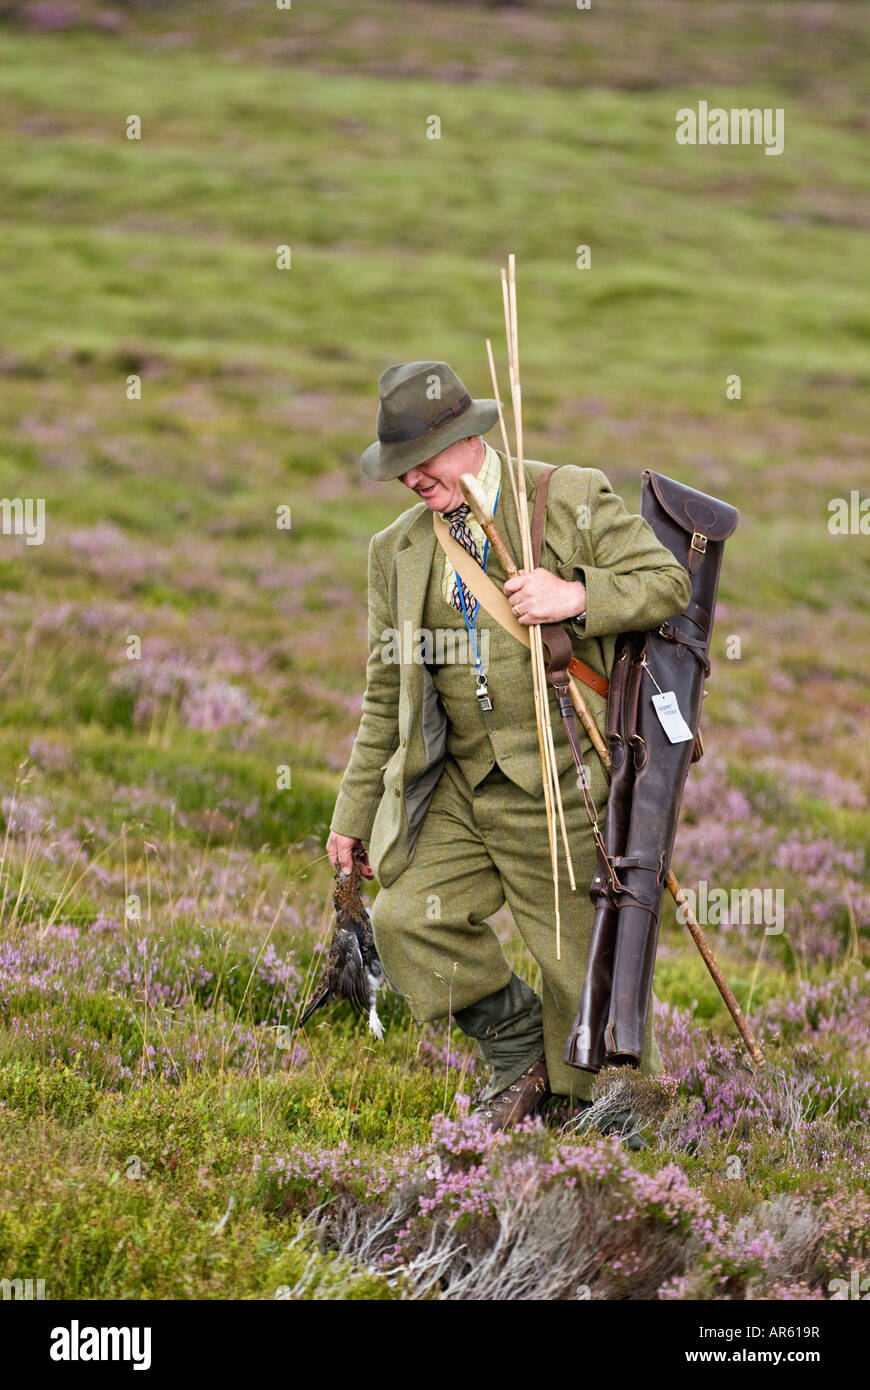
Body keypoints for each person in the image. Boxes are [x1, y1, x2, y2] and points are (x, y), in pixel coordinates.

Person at [326, 360, 692, 1130]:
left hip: (563, 783)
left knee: (582, 980)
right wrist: (353, 813)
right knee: (403, 923)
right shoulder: (394, 552)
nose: (411, 481)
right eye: (399, 469)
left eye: (421, 461)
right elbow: (386, 693)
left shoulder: (566, 496)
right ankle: (514, 1043)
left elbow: (667, 582)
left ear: (467, 438)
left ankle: (603, 1126)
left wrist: (577, 595)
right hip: (458, 786)